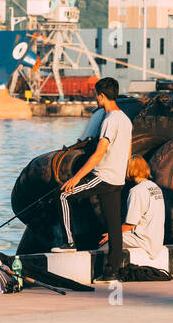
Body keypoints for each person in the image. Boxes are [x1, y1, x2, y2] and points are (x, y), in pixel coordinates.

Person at [56, 77, 131, 282]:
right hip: (117, 179)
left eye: (96, 95)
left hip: (104, 177)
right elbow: (128, 152)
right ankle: (111, 271)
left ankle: (69, 243)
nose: (95, 98)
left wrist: (75, 178)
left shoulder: (109, 120)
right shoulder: (126, 119)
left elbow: (98, 154)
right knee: (114, 224)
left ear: (101, 95)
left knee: (64, 195)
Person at [100, 156, 166, 270]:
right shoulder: (155, 187)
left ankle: (108, 273)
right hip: (156, 239)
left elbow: (130, 224)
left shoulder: (136, 191)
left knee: (105, 245)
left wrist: (111, 235)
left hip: (143, 239)